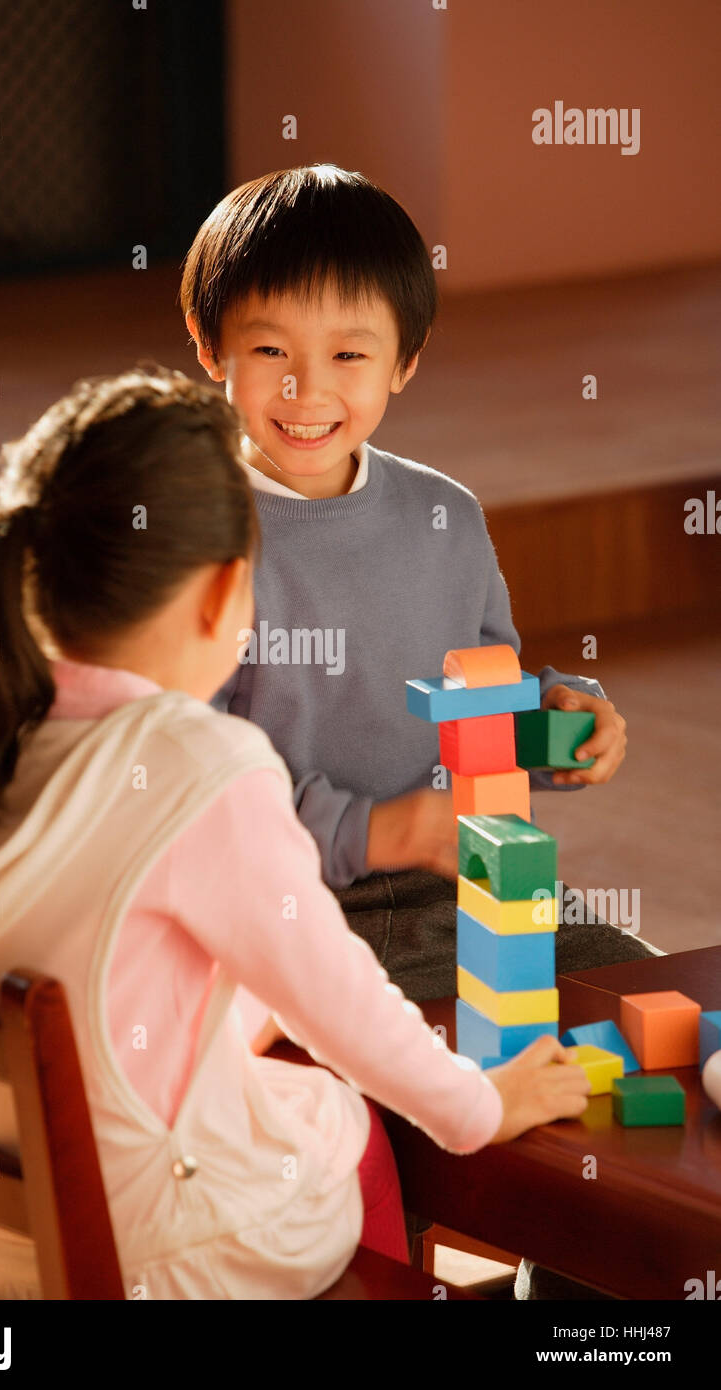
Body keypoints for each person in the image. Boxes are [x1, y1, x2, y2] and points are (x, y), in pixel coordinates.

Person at [0, 365, 590, 1301]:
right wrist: (480, 1105)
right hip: (155, 1261)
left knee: (288, 1097)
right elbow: (341, 1003)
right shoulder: (199, 760)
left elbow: (92, 971)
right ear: (221, 595)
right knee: (344, 1127)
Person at [180, 165, 662, 1296]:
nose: (308, 389)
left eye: (349, 354)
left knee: (638, 1020)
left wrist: (559, 717)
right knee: (443, 1092)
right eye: (270, 350)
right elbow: (197, 786)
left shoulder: (443, 515)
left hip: (472, 897)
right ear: (209, 349)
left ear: (403, 361)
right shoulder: (197, 536)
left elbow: (483, 692)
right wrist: (380, 830)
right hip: (295, 924)